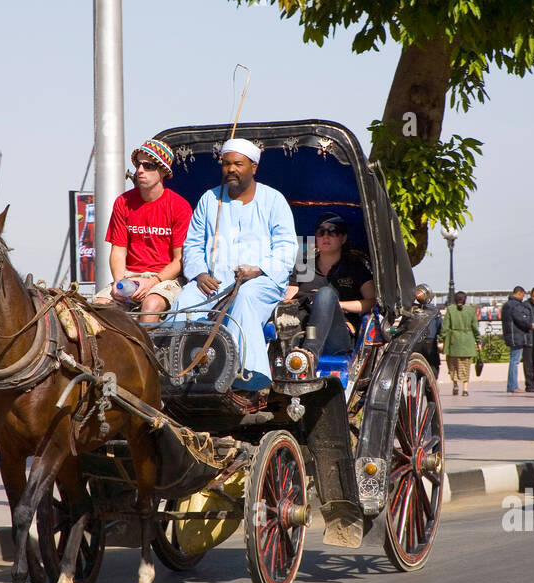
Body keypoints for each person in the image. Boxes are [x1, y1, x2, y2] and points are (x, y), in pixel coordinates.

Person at [171, 137, 297, 413]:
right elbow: (192, 245)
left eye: (238, 164)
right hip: (214, 282)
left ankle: (247, 379)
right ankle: (176, 371)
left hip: (261, 281)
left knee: (245, 300)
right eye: (226, 163)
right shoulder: (209, 200)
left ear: (253, 167)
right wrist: (200, 273)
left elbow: (287, 246)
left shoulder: (273, 200)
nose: (231, 169)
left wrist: (258, 269)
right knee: (185, 300)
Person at [93, 139, 192, 323]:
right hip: (129, 276)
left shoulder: (179, 206)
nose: (140, 170)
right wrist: (118, 282)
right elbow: (118, 251)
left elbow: (179, 260)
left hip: (164, 279)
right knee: (100, 307)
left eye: (148, 166)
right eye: (138, 164)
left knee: (151, 305)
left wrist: (153, 281)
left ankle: (149, 352)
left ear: (163, 171)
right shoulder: (123, 202)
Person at [283, 211, 375, 358]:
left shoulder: (355, 267)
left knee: (325, 294)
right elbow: (287, 298)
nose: (326, 236)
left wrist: (338, 304)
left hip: (337, 335)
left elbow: (372, 302)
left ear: (343, 238)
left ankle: (309, 354)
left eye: (333, 231)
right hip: (303, 329)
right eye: (321, 232)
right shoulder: (304, 265)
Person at [441, 291, 481, 396]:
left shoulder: (450, 310)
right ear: (465, 299)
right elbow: (475, 328)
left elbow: (445, 327)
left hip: (453, 341)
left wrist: (441, 340)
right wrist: (478, 341)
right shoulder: (471, 311)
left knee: (452, 365)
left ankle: (455, 384)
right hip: (468, 342)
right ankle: (465, 389)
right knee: (466, 365)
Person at [501, 286, 534, 393]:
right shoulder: (515, 305)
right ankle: (512, 386)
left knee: (513, 360)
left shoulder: (507, 305)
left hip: (512, 335)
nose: (523, 298)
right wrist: (530, 325)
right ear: (519, 293)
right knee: (514, 361)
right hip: (517, 336)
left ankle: (512, 385)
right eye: (522, 295)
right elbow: (520, 319)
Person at [413, 283, 442, 377]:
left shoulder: (412, 310)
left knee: (414, 368)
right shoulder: (435, 311)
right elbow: (440, 328)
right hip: (430, 343)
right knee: (433, 368)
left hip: (415, 342)